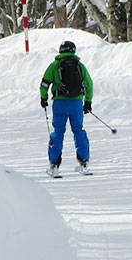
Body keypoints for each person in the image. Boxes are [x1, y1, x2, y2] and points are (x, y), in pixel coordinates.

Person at [39, 40, 93, 177]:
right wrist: (88, 101)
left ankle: (54, 165)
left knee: (58, 132)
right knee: (78, 130)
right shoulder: (79, 66)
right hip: (76, 102)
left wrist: (43, 98)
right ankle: (84, 163)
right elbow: (89, 83)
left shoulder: (55, 65)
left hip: (60, 103)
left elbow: (44, 83)